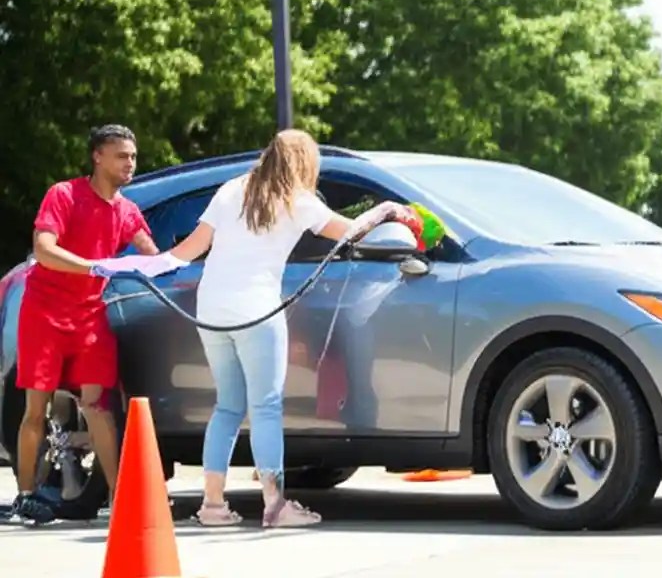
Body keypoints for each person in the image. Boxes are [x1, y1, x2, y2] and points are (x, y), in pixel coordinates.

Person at [98, 129, 418, 527]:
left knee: (228, 406)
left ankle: (212, 506)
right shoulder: (297, 201)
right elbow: (351, 232)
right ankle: (275, 505)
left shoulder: (232, 190)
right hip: (258, 312)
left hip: (212, 311)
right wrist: (387, 209)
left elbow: (184, 253)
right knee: (265, 406)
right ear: (302, 164)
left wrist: (125, 266)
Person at [11, 125, 158, 525]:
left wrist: (181, 262)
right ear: (98, 156)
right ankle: (26, 496)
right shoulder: (64, 194)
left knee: (99, 406)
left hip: (90, 316)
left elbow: (152, 254)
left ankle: (118, 498)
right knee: (35, 409)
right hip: (44, 312)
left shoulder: (126, 210)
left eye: (133, 157)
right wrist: (92, 265)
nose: (130, 163)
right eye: (122, 156)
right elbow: (44, 250)